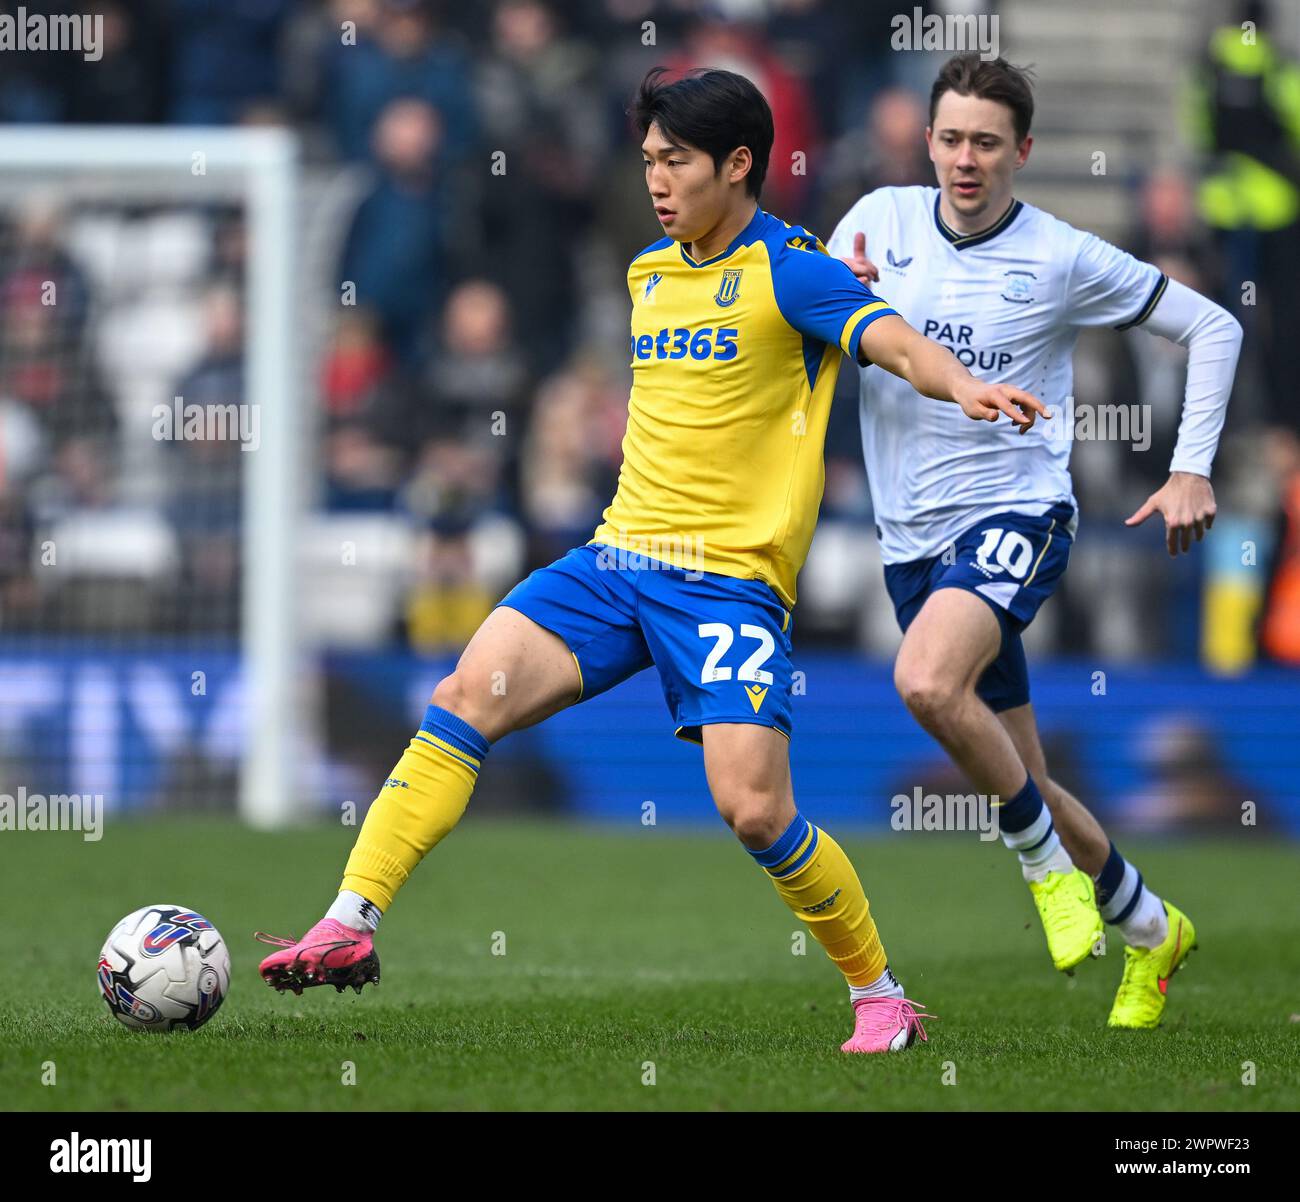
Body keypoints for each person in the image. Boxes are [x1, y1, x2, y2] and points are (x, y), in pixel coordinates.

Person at [258, 66, 1045, 1054]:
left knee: (754, 807)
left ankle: (880, 995)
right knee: (465, 693)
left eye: (676, 162)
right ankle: (349, 921)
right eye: (647, 162)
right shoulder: (643, 273)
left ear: (738, 164)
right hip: (617, 560)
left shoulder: (792, 270)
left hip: (727, 584)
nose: (658, 182)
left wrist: (960, 383)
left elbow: (891, 343)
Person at [830, 54, 1242, 1029]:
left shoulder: (1060, 254)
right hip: (909, 542)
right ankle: (1151, 926)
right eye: (948, 138)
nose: (963, 160)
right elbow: (807, 324)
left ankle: (1043, 870)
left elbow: (1214, 326)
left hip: (1019, 512)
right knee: (1028, 776)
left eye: (984, 142)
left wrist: (1189, 467)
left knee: (926, 682)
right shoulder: (871, 225)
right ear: (925, 139)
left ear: (1021, 150)